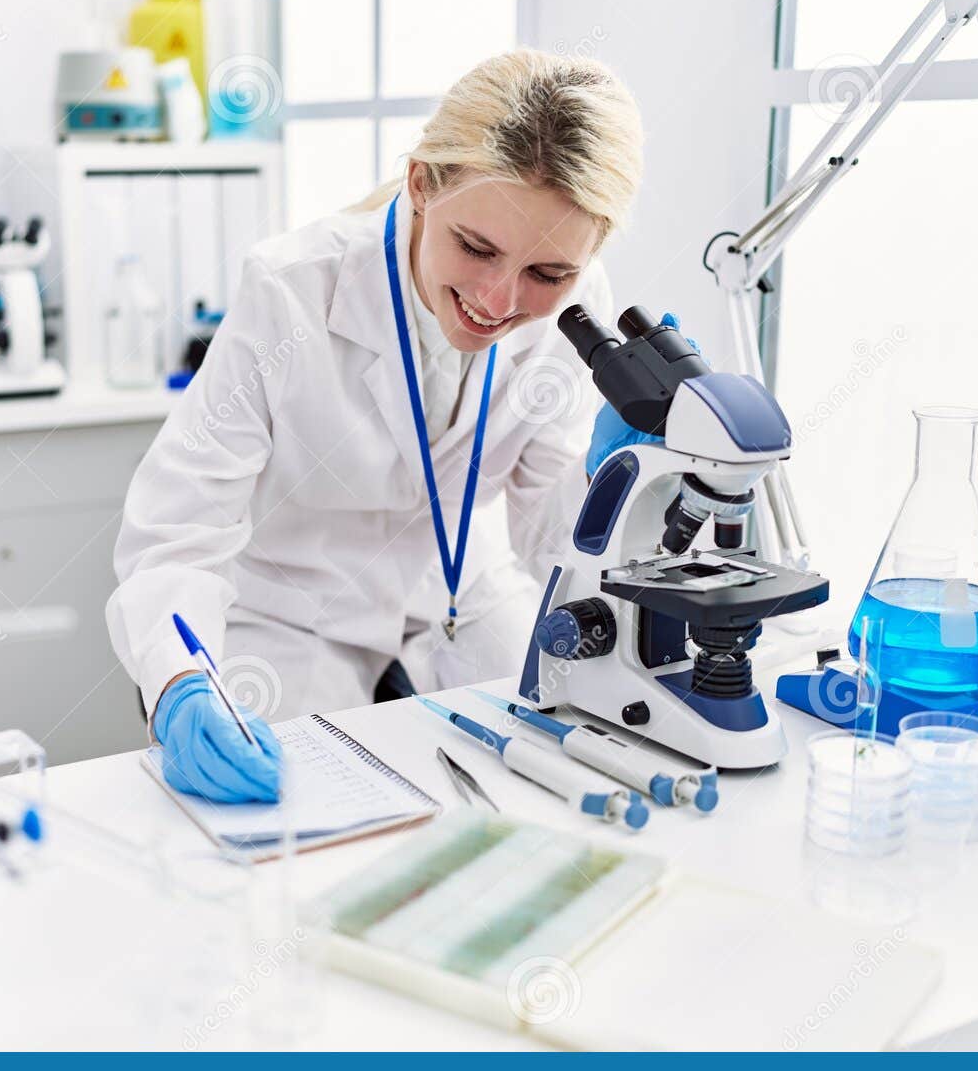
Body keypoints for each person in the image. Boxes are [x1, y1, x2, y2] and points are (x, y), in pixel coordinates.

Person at [108, 48, 664, 804]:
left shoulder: (576, 307)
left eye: (547, 273)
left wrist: (616, 492)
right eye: (476, 248)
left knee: (558, 795)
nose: (499, 300)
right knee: (296, 834)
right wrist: (179, 684)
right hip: (290, 618)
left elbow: (548, 536)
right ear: (421, 185)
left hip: (460, 602)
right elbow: (177, 533)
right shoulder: (291, 292)